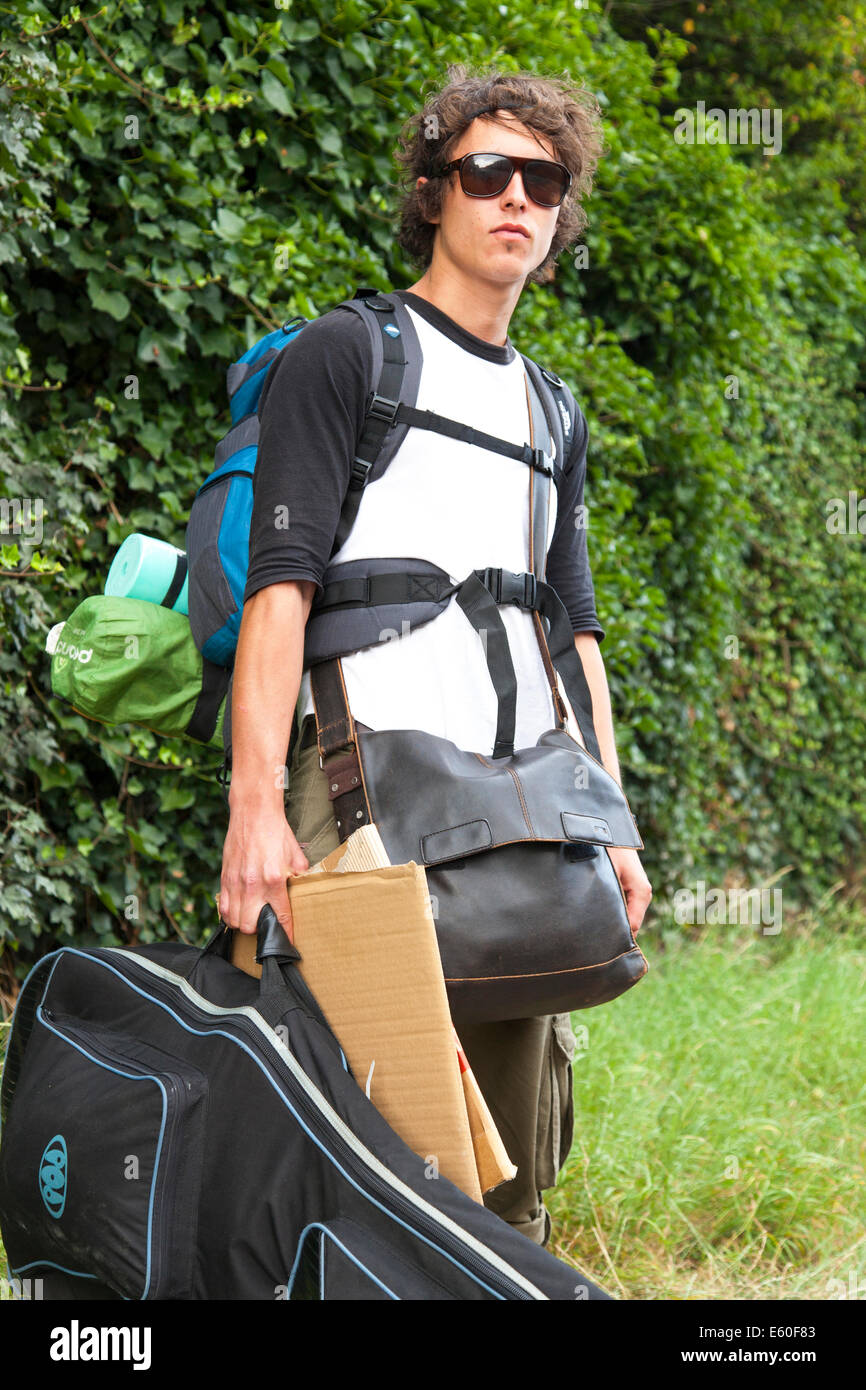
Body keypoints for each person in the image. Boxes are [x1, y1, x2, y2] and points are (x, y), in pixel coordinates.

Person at [218, 63, 652, 1247]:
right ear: (431, 191)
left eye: (542, 179)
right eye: (486, 172)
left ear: (561, 211)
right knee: (343, 1136)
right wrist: (255, 806)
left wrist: (608, 817)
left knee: (500, 1172)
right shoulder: (348, 353)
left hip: (522, 802)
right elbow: (281, 593)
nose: (516, 196)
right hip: (361, 786)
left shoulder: (553, 411)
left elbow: (572, 623)